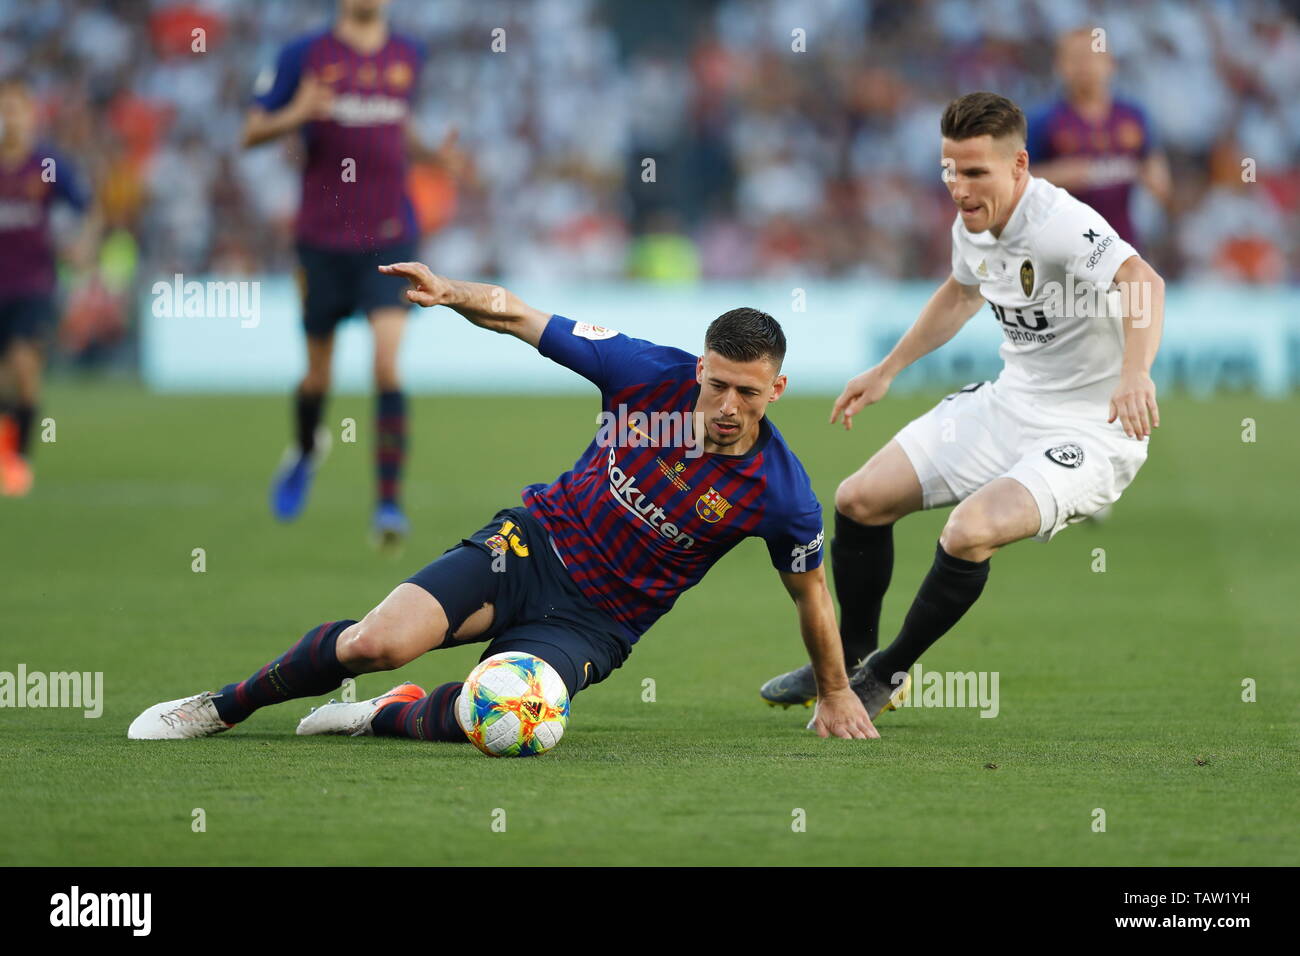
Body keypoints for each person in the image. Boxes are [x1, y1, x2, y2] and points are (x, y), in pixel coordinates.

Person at [128, 262, 879, 746]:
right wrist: (453, 294)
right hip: (527, 547)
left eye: (747, 392)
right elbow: (522, 317)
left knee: (514, 724)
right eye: (716, 383)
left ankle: (383, 714)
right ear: (701, 366)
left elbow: (811, 596)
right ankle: (223, 705)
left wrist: (838, 691)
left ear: (775, 391)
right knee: (371, 645)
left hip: (598, 622)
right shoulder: (647, 371)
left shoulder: (782, 494)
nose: (725, 403)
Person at [761, 91, 1164, 716]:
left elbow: (1143, 280)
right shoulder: (972, 220)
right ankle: (849, 654)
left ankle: (886, 674)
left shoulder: (1058, 221)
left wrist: (1135, 373)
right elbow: (960, 292)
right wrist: (888, 369)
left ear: (1020, 166)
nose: (959, 186)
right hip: (1009, 405)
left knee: (970, 531)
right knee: (858, 499)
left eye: (975, 171)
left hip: (1092, 428)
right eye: (950, 169)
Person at [242, 0, 458, 547]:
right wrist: (299, 112)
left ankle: (388, 504)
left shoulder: (410, 53)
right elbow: (251, 133)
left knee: (387, 366)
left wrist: (437, 157)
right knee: (318, 376)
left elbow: (396, 128)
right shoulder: (303, 54)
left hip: (389, 235)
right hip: (321, 239)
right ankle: (308, 450)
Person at [0, 76, 96, 497]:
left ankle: (17, 461)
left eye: (16, 109)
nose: (9, 118)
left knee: (24, 370)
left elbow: (89, 210)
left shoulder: (47, 165)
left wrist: (82, 246)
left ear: (31, 115)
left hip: (32, 284)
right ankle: (6, 458)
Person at [1027, 28, 1172, 247]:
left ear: (1110, 63)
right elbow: (1016, 184)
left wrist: (1155, 180)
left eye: (1093, 57)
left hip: (1123, 247)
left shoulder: (1133, 116)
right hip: (1063, 250)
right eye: (1075, 58)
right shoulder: (1043, 121)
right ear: (1060, 66)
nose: (1085, 66)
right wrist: (1062, 175)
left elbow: (1159, 179)